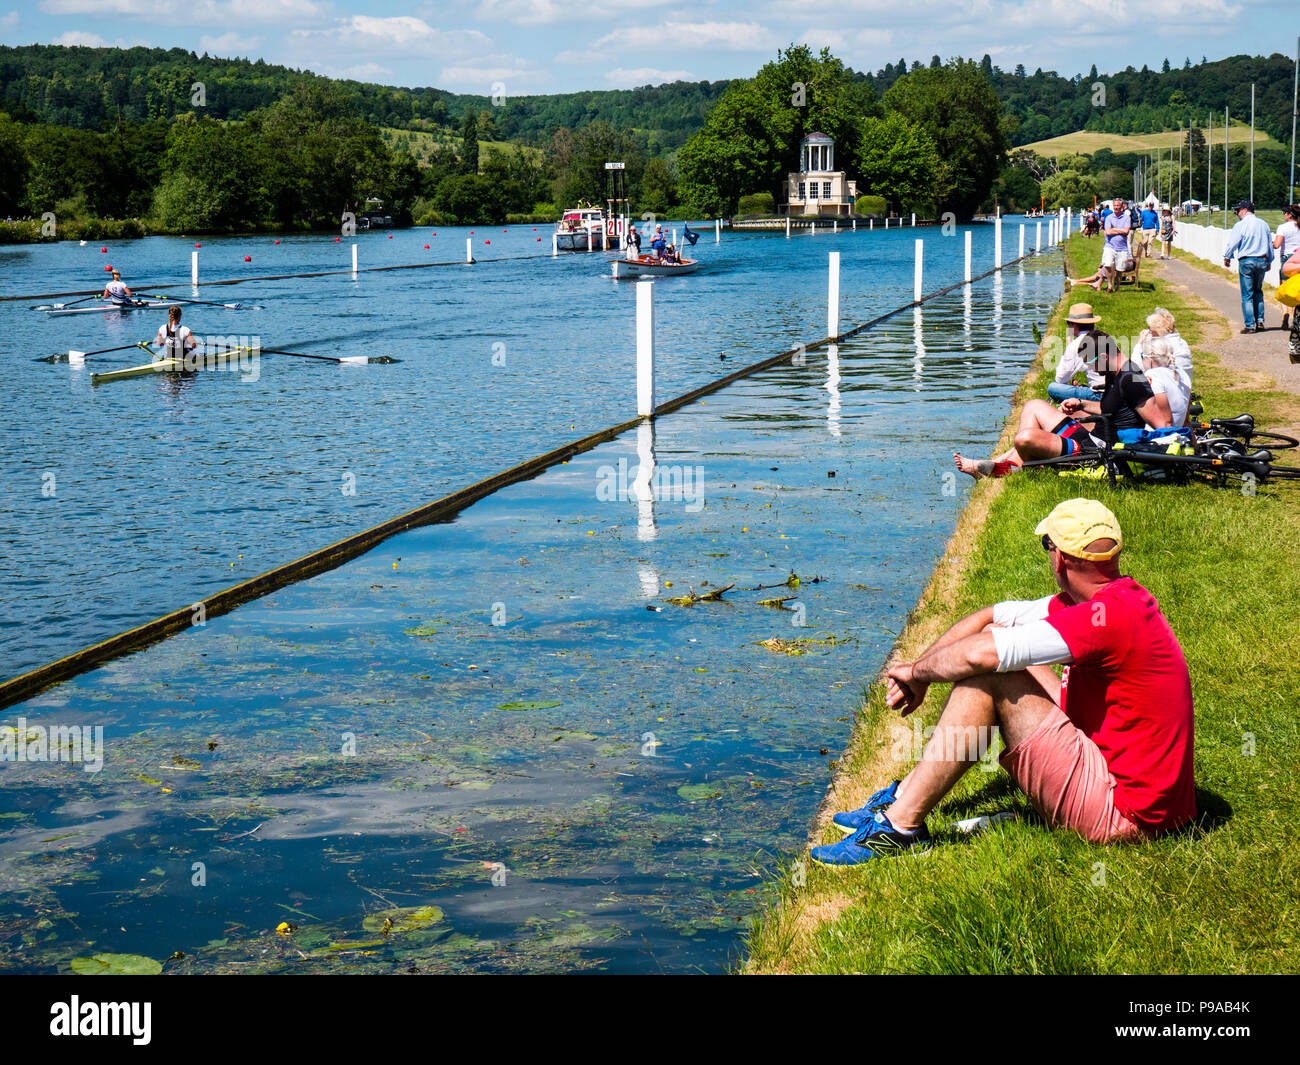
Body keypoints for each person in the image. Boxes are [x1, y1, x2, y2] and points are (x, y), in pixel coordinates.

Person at [811, 498, 1195, 866]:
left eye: (1047, 545)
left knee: (992, 674)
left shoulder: (1106, 617)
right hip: (1136, 791)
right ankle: (905, 795)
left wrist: (913, 674)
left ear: (1059, 556)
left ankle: (899, 828)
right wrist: (923, 671)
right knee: (995, 644)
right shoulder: (1108, 600)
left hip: (1128, 816)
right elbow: (992, 618)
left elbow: (980, 655)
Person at [954, 335, 1169, 477]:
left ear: (1104, 356)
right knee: (1033, 406)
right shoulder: (1115, 373)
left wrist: (1167, 463)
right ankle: (1005, 465)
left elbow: (1161, 423)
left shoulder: (1132, 380)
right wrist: (1082, 403)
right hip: (1094, 436)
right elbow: (1110, 410)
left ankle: (1005, 467)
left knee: (1025, 438)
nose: (1090, 368)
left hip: (1100, 452)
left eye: (1091, 362)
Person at [1222, 199, 1274, 333]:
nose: (1237, 213)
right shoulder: (1263, 224)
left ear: (1245, 210)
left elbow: (1234, 242)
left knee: (1247, 294)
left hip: (1246, 260)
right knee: (1258, 291)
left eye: (1238, 210)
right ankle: (1260, 321)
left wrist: (1228, 256)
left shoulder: (1241, 225)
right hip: (1261, 259)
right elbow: (1269, 244)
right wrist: (1269, 260)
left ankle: (1250, 325)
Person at [1048, 302, 1108, 403]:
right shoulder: (1103, 336)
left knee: (1053, 387)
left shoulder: (1076, 344)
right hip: (1115, 391)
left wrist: (1068, 347)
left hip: (1100, 395)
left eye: (1069, 324)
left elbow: (1060, 379)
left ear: (1074, 325)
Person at [1137, 336, 1190, 428]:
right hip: (1179, 431)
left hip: (1160, 436)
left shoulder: (1153, 375)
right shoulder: (1181, 372)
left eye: (1141, 356)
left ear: (1149, 359)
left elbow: (1166, 421)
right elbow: (1186, 419)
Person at [1139, 307, 1193, 390]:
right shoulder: (1182, 342)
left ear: (1157, 330)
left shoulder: (1162, 346)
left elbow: (1137, 368)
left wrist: (1140, 343)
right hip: (1185, 387)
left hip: (1169, 389)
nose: (1149, 331)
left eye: (1150, 328)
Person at [1272, 204, 1299, 331]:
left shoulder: (1282, 228)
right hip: (1298, 258)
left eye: (1285, 213)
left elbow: (1277, 245)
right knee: (1296, 289)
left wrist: (1270, 243)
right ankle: (1295, 317)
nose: (1284, 215)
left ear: (1289, 215)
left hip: (1287, 259)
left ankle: (1285, 314)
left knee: (1284, 288)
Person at [1101, 198, 1131, 292]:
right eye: (1115, 206)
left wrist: (1114, 229)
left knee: (1120, 269)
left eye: (1118, 206)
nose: (1116, 207)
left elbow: (1126, 231)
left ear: (1122, 207)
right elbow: (1108, 232)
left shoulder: (1126, 218)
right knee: (1108, 265)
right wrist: (1120, 230)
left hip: (1122, 247)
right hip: (1110, 246)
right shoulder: (1109, 218)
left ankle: (1117, 287)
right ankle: (1109, 286)